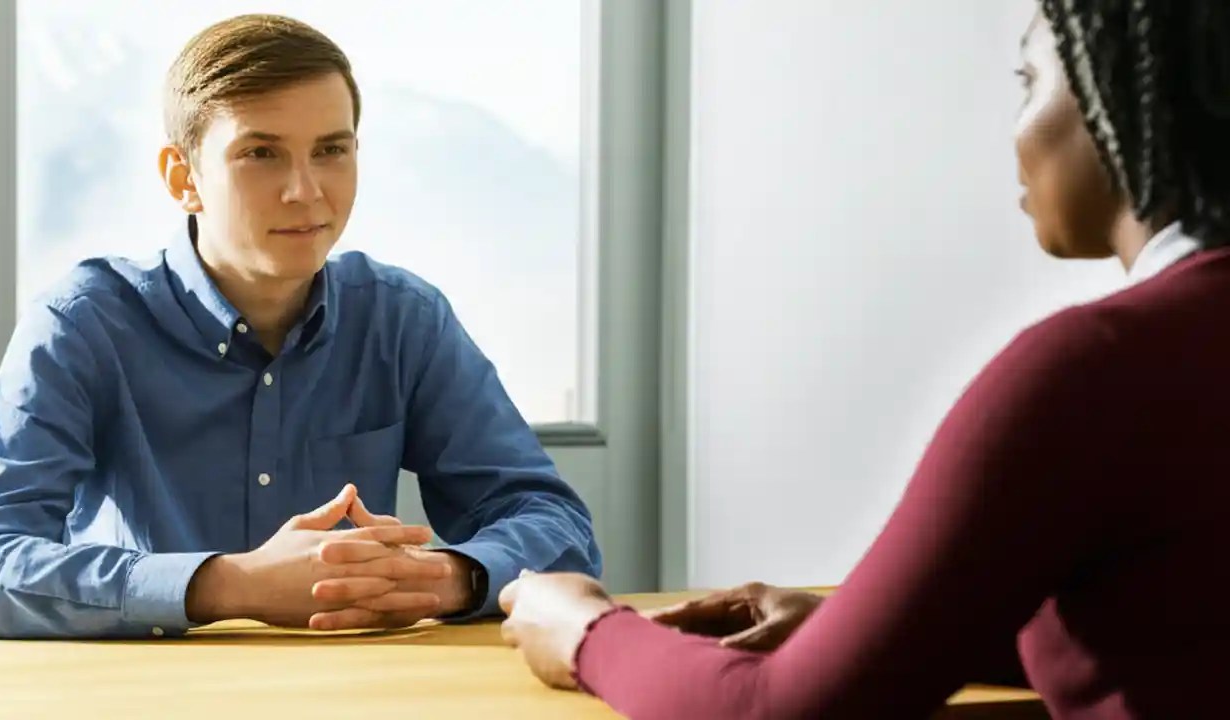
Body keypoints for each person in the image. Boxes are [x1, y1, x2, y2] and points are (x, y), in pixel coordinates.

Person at [499, 1, 1230, 717]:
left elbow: (777, 708)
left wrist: (585, 631)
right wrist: (849, 632)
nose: (1012, 131)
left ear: (1118, 91)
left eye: (1028, 80)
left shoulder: (1095, 370)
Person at [0, 13, 600, 639]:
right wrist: (231, 584)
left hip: (359, 693)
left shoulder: (403, 319)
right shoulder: (81, 326)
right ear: (184, 178)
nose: (306, 190)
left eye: (330, 151)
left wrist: (443, 578)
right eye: (261, 153)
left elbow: (557, 528)